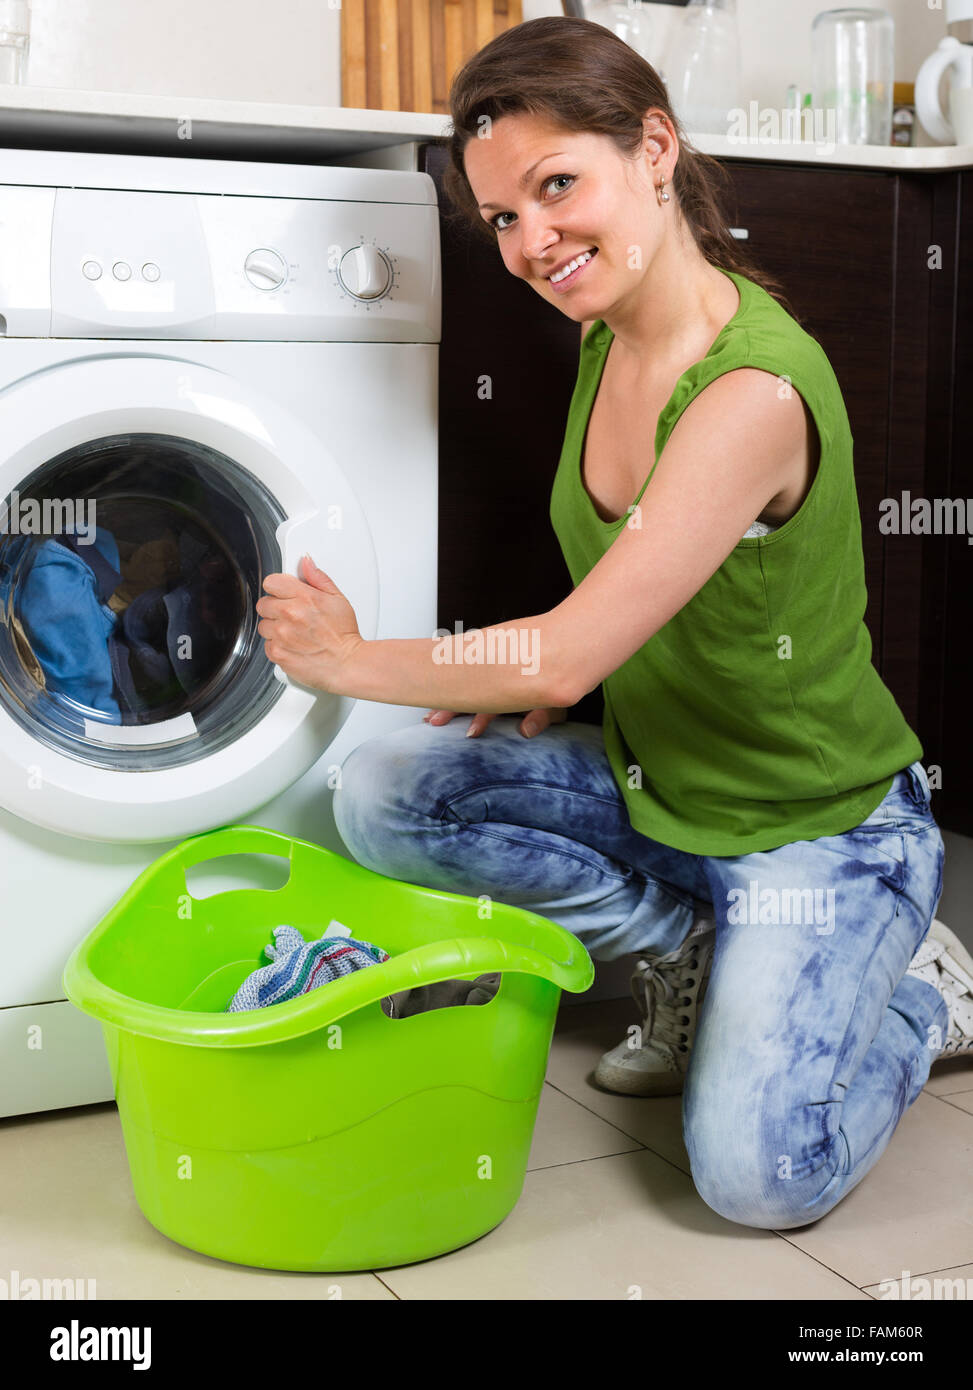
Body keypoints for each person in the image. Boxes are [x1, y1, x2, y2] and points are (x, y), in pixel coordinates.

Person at [255, 17, 973, 1230]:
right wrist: (535, 669)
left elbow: (571, 644)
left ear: (653, 148)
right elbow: (634, 601)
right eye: (500, 218)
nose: (532, 242)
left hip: (821, 831)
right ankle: (694, 945)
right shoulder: (604, 334)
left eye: (556, 187)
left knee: (756, 1182)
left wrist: (348, 656)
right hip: (664, 785)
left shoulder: (749, 389)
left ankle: (920, 996)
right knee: (386, 792)